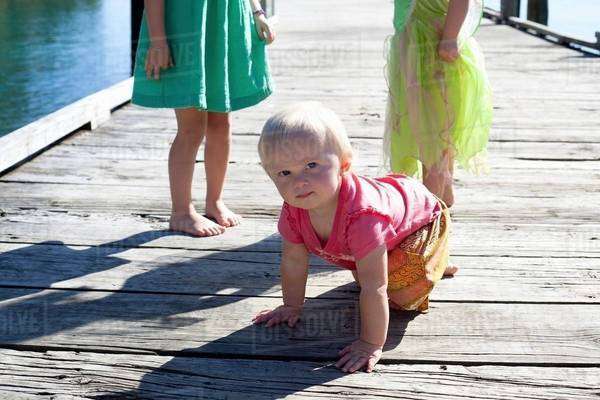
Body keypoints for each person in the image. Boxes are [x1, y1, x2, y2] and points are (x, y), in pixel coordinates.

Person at [252, 102, 455, 373]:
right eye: (284, 173)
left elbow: (375, 288)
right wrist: (291, 306)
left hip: (423, 221)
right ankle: (433, 261)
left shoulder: (364, 217)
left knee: (400, 293)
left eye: (311, 165)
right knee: (366, 266)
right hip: (386, 226)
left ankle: (435, 259)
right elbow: (293, 262)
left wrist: (370, 343)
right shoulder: (295, 208)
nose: (299, 181)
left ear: (344, 164)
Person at [131, 0, 275, 236]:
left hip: (224, 22)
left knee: (221, 123)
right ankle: (181, 212)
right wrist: (158, 40)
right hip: (187, 24)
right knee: (192, 127)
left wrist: (257, 11)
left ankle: (214, 201)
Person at [384, 0, 493, 207]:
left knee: (433, 132)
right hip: (414, 44)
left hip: (435, 48)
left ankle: (431, 204)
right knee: (431, 129)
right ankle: (443, 191)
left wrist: (450, 37)